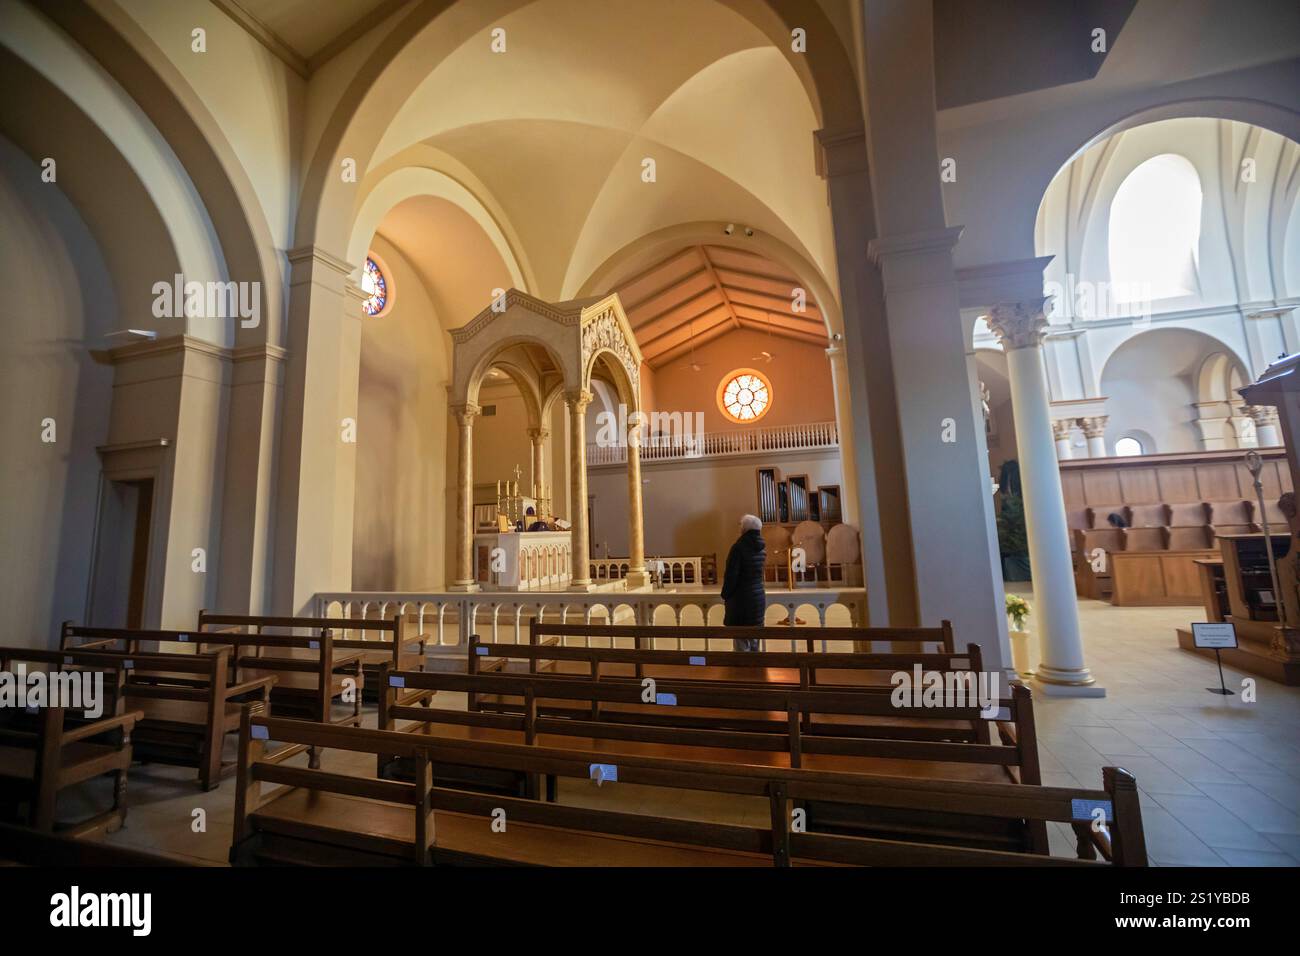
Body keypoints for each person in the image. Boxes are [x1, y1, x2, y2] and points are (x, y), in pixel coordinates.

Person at [721, 514, 766, 652]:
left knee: (741, 646)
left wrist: (725, 594)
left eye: (741, 525)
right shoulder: (761, 547)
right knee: (754, 644)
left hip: (741, 602)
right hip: (757, 599)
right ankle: (756, 672)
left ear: (745, 529)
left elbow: (731, 576)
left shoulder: (738, 548)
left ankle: (743, 673)